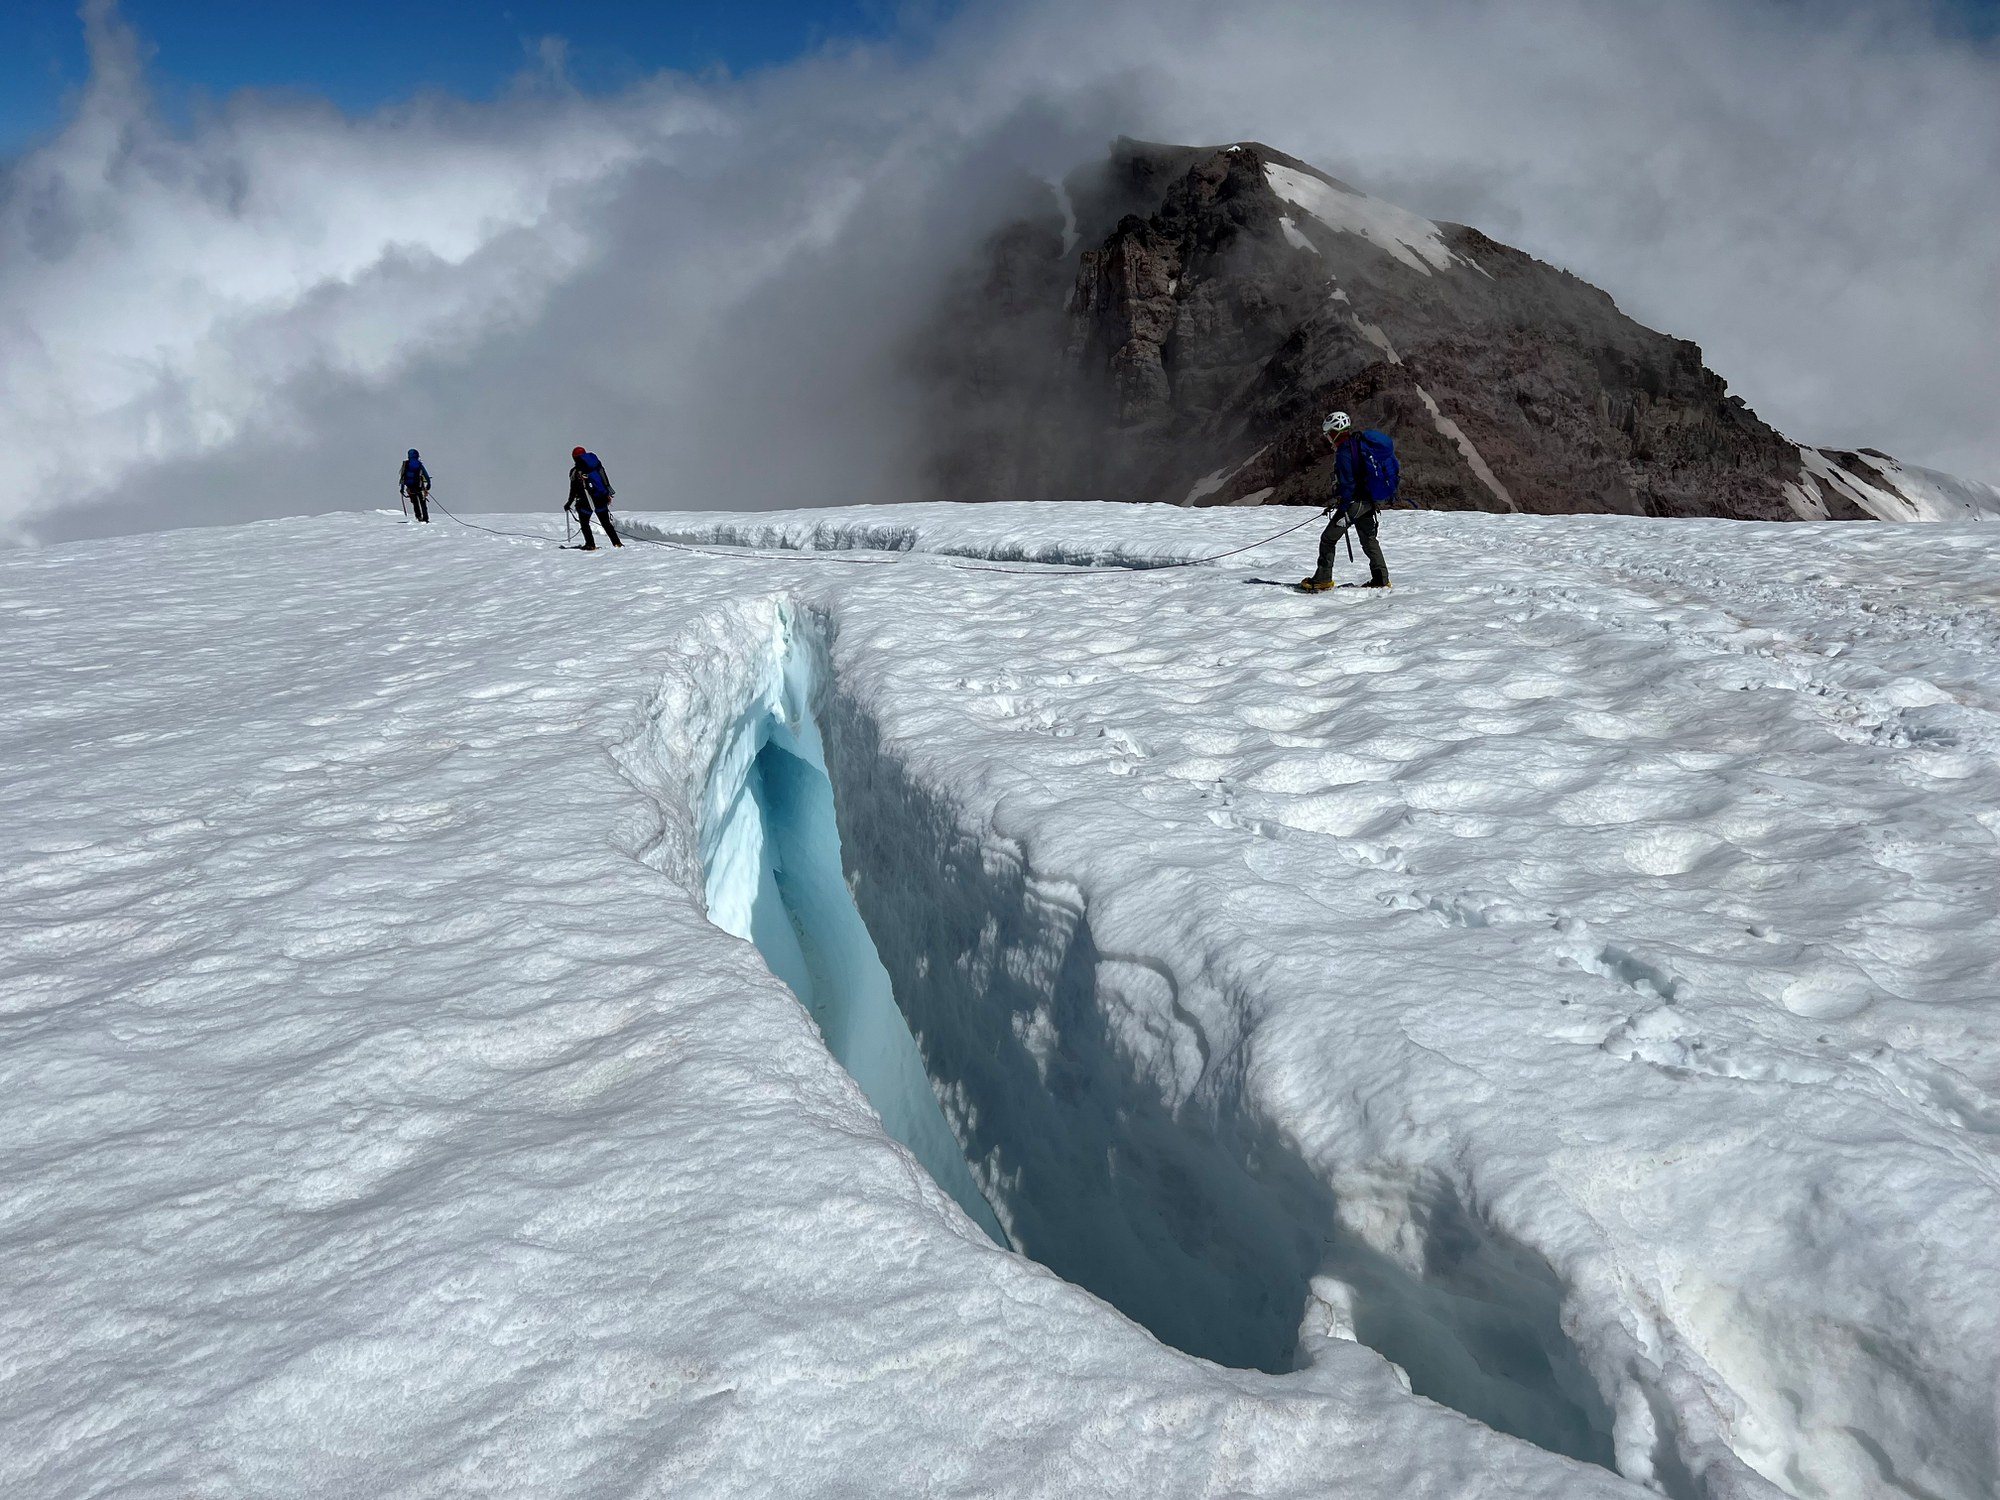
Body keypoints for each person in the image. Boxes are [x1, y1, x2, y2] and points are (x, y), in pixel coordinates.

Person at [1300, 411, 1393, 592]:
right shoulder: (1358, 445)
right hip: (1368, 501)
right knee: (1369, 540)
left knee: (1328, 539)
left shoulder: (1344, 453)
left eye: (1328, 434)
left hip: (1355, 503)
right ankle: (1381, 579)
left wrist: (1343, 509)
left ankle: (1323, 579)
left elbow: (1348, 484)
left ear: (1334, 432)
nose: (1328, 438)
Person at [566, 446, 622, 550]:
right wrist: (607, 494)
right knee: (605, 523)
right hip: (601, 497)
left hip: (586, 501)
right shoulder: (596, 465)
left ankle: (590, 544)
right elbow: (604, 479)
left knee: (584, 522)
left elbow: (573, 489)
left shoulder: (575, 471)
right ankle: (617, 543)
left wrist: (569, 503)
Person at [399, 448, 432, 523]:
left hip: (410, 487)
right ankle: (425, 518)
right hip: (419, 486)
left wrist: (402, 488)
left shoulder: (406, 465)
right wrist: (428, 485)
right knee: (422, 502)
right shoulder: (419, 464)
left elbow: (403, 477)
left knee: (415, 502)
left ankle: (418, 516)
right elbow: (426, 475)